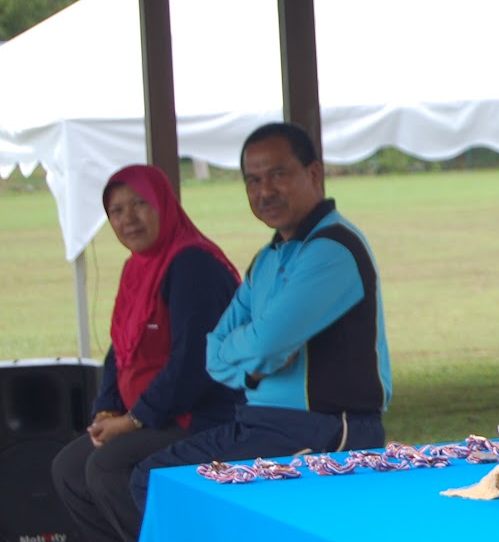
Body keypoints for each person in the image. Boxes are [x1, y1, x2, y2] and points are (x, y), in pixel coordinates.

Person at [130, 122, 392, 511]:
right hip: (260, 424)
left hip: (324, 430)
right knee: (153, 480)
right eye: (253, 181)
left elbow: (267, 342)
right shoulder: (268, 258)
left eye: (277, 175)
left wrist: (255, 347)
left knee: (156, 484)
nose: (264, 191)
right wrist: (252, 368)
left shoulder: (333, 250)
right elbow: (213, 350)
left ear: (314, 174)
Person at [50, 166, 241, 542]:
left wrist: (133, 420)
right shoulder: (138, 267)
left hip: (204, 417)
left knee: (108, 467)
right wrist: (106, 411)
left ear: (164, 206)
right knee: (68, 468)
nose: (128, 218)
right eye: (116, 210)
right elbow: (120, 350)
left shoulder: (192, 264)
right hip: (153, 416)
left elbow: (194, 363)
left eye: (139, 204)